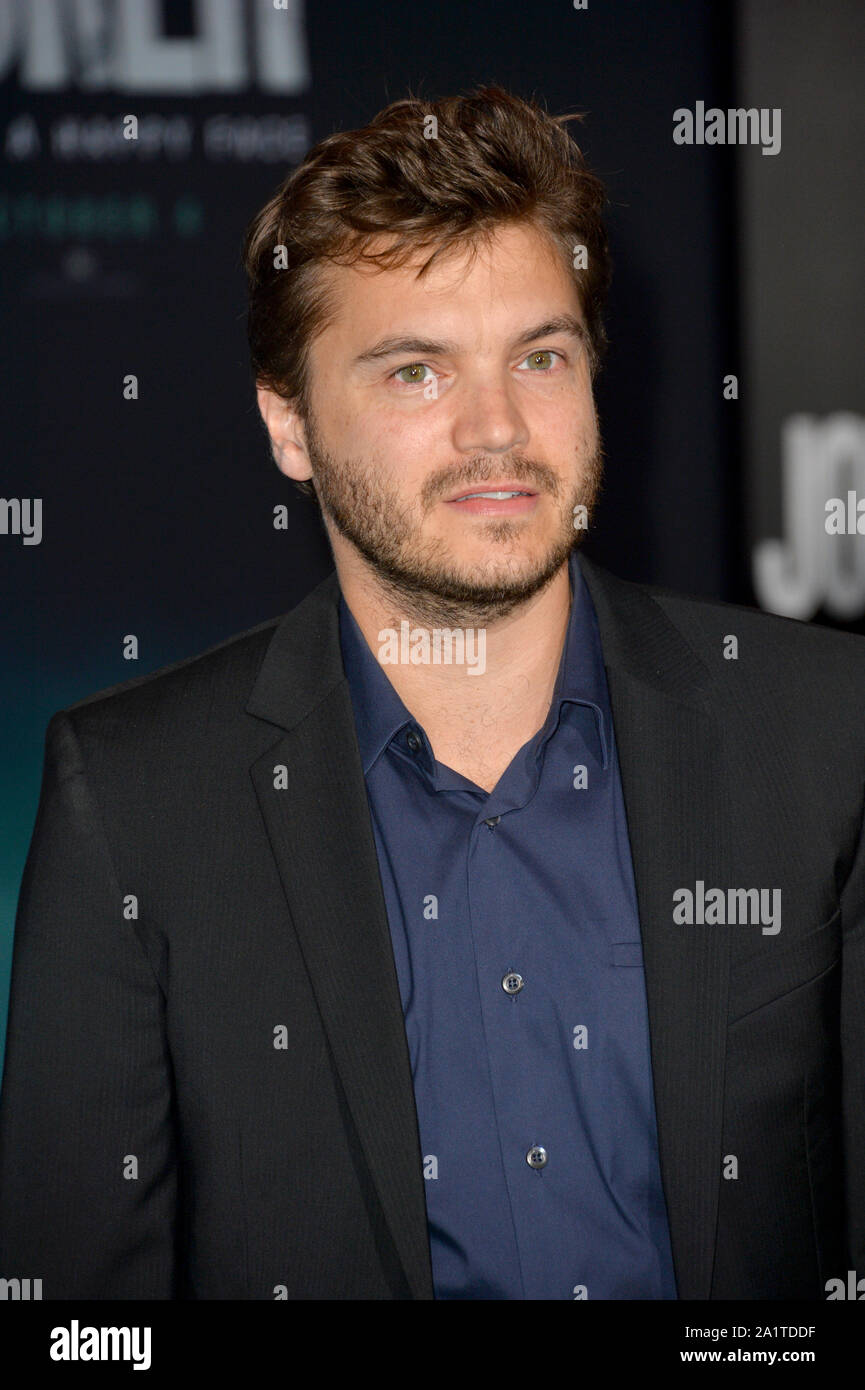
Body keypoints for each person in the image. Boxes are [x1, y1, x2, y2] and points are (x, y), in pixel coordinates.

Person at [1, 85, 864, 1301]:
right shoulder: (135, 798)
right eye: (415, 373)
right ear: (288, 425)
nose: (498, 429)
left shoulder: (823, 729)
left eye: (542, 356)